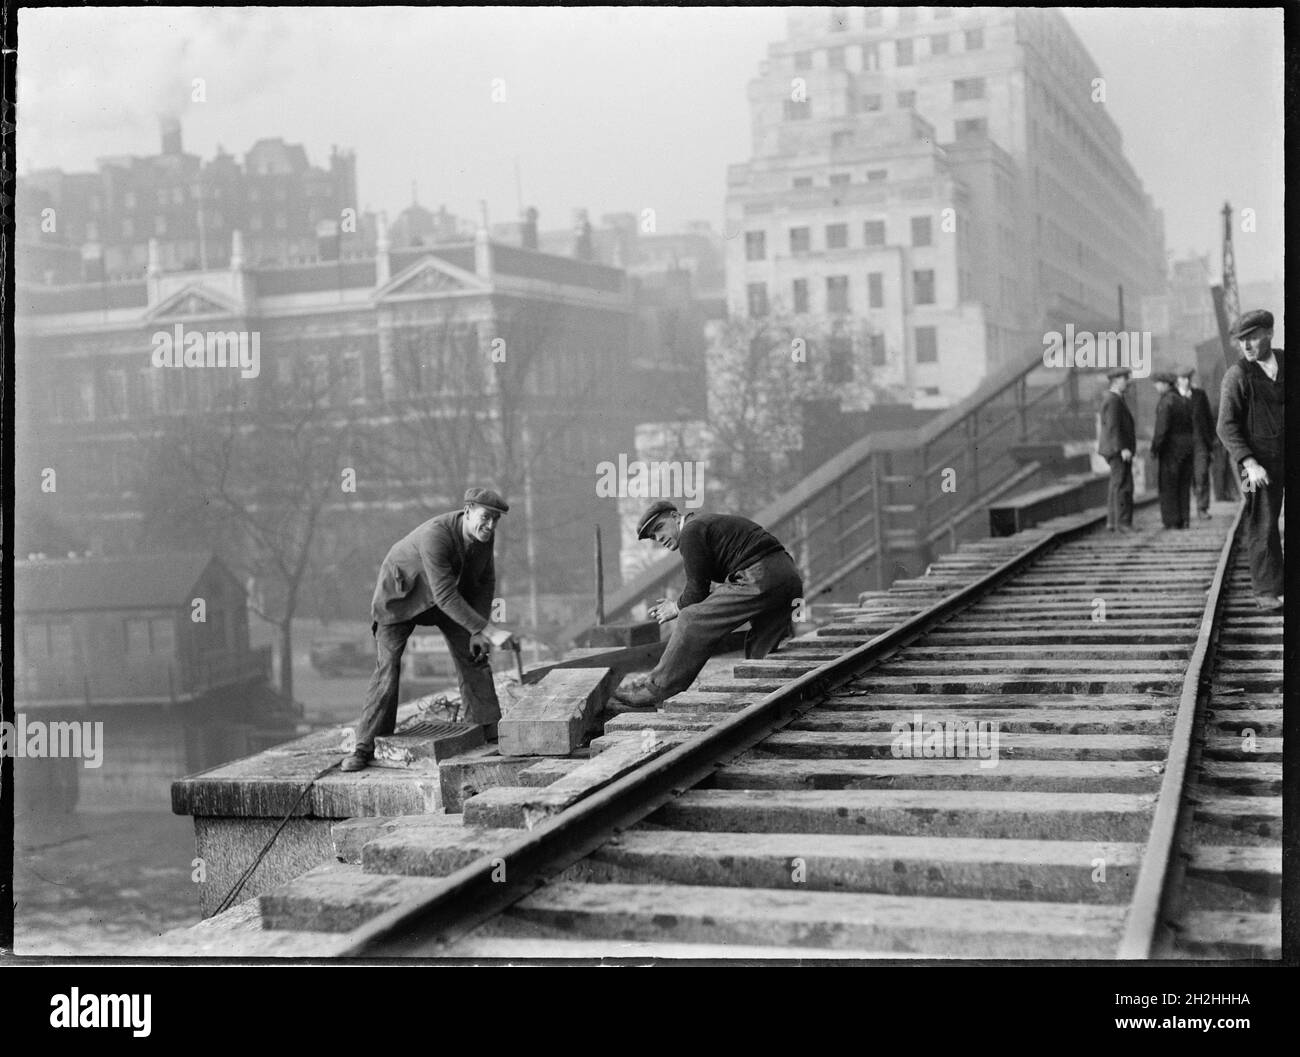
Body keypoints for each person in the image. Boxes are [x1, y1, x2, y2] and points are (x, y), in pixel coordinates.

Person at [341, 487, 517, 771]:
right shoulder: (436, 535)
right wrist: (490, 630)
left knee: (475, 655)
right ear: (468, 511)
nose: (491, 525)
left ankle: (488, 732)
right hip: (400, 599)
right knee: (388, 669)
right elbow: (445, 595)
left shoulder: (485, 535)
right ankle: (364, 748)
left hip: (445, 600)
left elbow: (485, 583)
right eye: (486, 517)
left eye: (496, 519)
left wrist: (477, 632)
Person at [610, 501, 803, 709]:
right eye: (653, 537)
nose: (659, 538)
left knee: (691, 619)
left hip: (760, 576)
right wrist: (683, 602)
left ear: (676, 517)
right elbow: (704, 591)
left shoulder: (691, 531)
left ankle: (656, 689)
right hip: (788, 576)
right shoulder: (704, 524)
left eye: (659, 528)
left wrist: (676, 607)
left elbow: (697, 591)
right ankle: (769, 702)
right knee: (761, 651)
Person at [1217, 309, 1285, 611]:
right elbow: (1226, 426)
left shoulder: (1287, 363)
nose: (1246, 346)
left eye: (1253, 338)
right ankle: (1268, 591)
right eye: (1241, 340)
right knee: (1263, 523)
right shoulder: (1238, 375)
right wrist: (1249, 463)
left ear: (1269, 333)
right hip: (1255, 465)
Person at [1151, 371, 1194, 529]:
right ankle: (1184, 518)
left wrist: (1155, 448)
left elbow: (1161, 429)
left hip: (1170, 451)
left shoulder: (1165, 402)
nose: (1156, 387)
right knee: (1184, 485)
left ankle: (1172, 520)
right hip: (1187, 449)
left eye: (1157, 383)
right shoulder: (1183, 400)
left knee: (1169, 485)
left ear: (1164, 384)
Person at [1097, 366, 1136, 532]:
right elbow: (1113, 427)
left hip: (1114, 448)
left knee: (1116, 485)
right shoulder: (1114, 400)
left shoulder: (1114, 398)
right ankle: (1123, 523)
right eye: (1125, 379)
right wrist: (1122, 448)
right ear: (1115, 381)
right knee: (1123, 486)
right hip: (1118, 450)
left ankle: (1113, 522)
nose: (1128, 382)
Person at [1176, 365, 1215, 520]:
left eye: (1187, 378)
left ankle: (1202, 508)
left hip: (1200, 444)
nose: (1185, 381)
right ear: (1177, 380)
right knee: (1184, 478)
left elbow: (1208, 420)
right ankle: (1183, 512)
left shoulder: (1199, 395)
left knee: (1202, 475)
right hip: (1181, 446)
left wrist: (1211, 441)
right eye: (1182, 379)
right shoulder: (1173, 397)